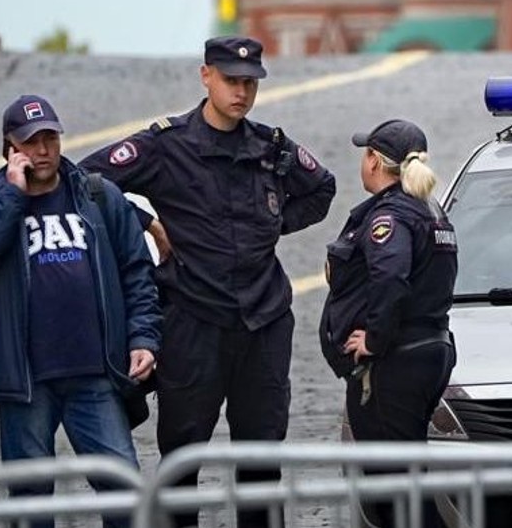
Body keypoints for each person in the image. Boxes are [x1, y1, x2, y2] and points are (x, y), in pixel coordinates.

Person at [80, 36, 336, 528]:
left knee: (261, 458)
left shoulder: (270, 146)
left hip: (262, 322)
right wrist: (146, 223)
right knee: (181, 457)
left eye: (250, 83)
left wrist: (273, 224)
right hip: (193, 321)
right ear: (205, 77)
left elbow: (322, 188)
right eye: (230, 81)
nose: (241, 92)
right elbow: (85, 181)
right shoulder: (165, 146)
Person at [0, 95, 161, 528]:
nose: (43, 150)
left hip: (95, 375)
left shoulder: (97, 195)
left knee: (125, 492)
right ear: (10, 147)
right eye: (31, 142)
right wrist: (12, 196)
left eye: (50, 138)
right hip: (26, 382)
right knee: (30, 503)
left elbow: (137, 271)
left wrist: (143, 337)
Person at [319, 119, 458, 528]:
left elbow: (391, 277)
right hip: (429, 350)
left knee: (394, 485)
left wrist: (374, 340)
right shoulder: (431, 211)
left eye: (365, 154)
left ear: (375, 161)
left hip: (395, 362)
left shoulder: (391, 217)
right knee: (403, 478)